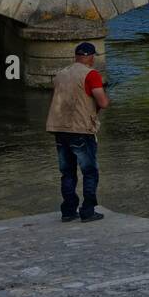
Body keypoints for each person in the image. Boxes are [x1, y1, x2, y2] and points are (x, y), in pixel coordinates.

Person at [45, 41, 110, 223]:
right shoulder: (91, 74)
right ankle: (88, 211)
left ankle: (68, 211)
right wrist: (105, 100)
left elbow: (54, 100)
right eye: (93, 56)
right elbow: (103, 102)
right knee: (90, 171)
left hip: (59, 129)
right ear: (90, 57)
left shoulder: (60, 74)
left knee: (67, 172)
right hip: (81, 129)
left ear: (76, 56)